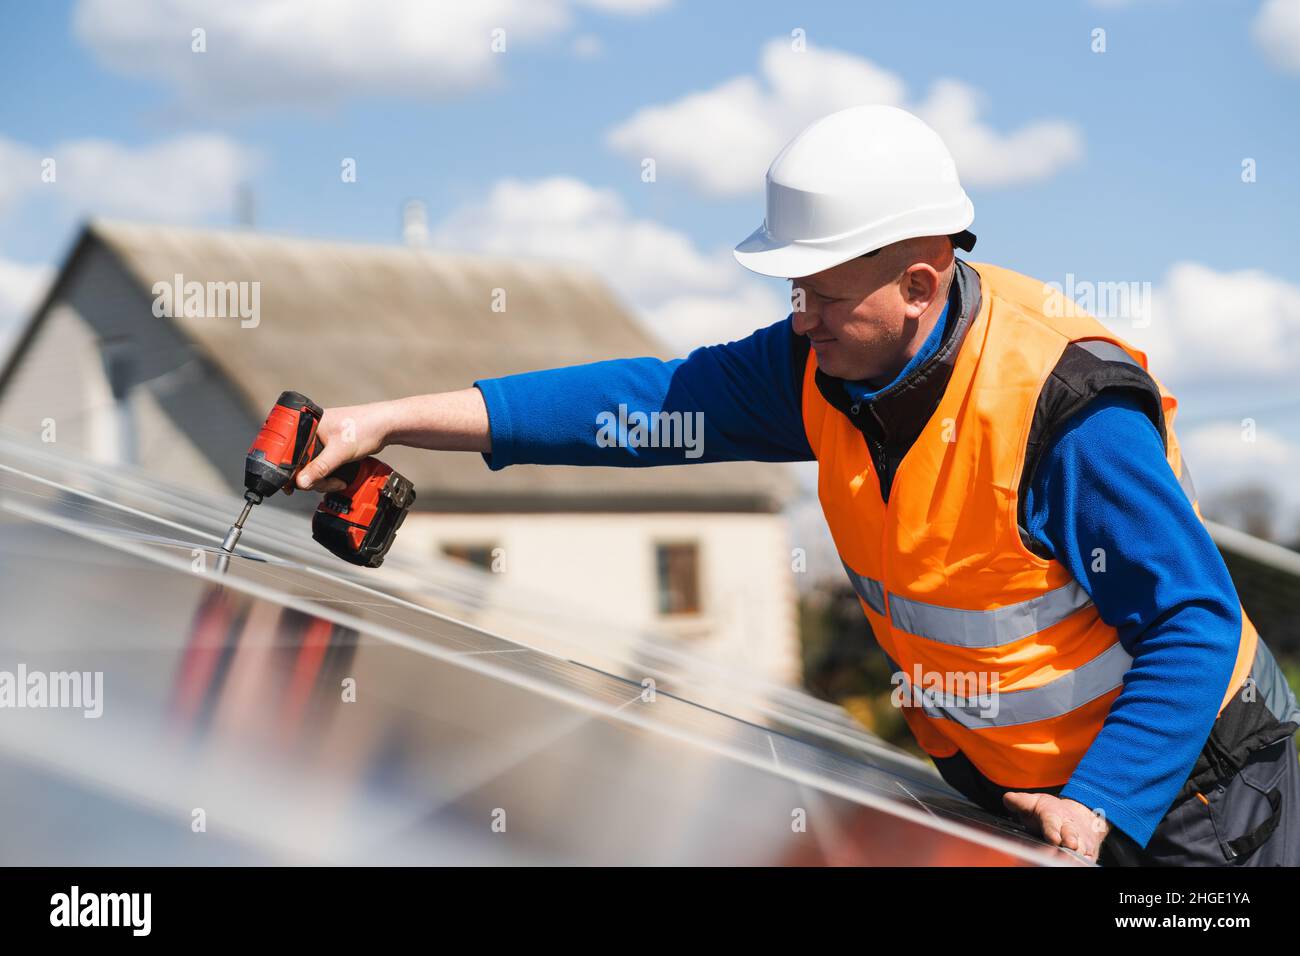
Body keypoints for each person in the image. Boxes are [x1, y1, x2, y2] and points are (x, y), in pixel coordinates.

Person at [296, 105, 1300, 866]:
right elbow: (647, 403)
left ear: (920, 281)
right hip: (1033, 806)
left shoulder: (1068, 409)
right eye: (793, 290)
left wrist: (1094, 807)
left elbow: (1195, 623)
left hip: (1197, 806)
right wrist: (391, 420)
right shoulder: (819, 368)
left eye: (820, 291)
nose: (800, 318)